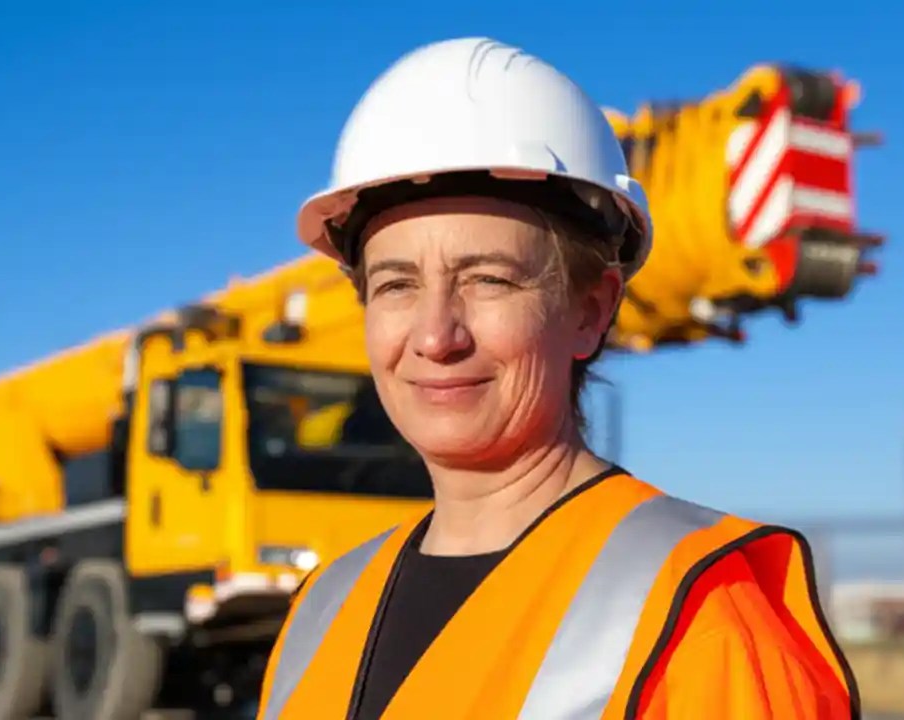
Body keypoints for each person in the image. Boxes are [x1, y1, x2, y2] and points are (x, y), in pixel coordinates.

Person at [256, 37, 860, 720]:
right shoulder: (320, 609)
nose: (434, 336)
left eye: (487, 279)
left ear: (590, 310)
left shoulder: (701, 614)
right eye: (397, 285)